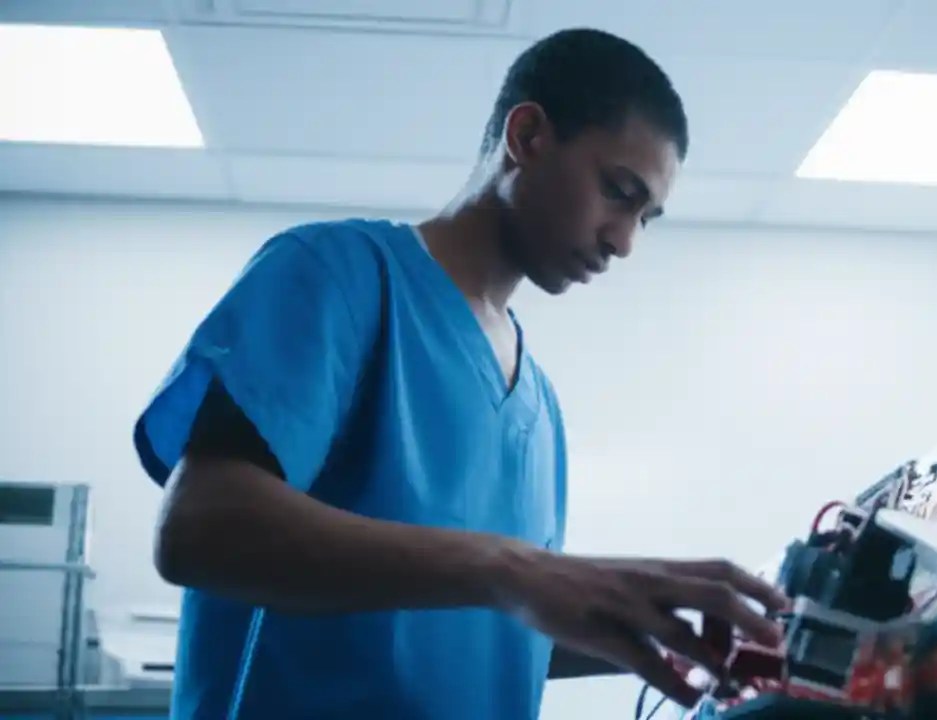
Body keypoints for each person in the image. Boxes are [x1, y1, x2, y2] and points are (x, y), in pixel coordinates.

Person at [134, 27, 786, 720]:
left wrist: (664, 633)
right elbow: (200, 529)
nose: (624, 242)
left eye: (646, 219)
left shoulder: (539, 408)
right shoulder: (337, 276)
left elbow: (482, 625)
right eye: (618, 192)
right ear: (529, 136)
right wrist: (514, 570)